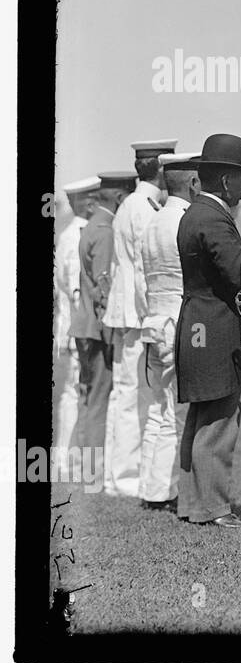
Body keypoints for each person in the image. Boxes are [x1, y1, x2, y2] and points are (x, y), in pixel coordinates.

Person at [175, 135, 241, 528]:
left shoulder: (195, 213)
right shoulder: (215, 219)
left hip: (196, 323)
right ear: (226, 181)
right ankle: (215, 509)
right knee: (220, 419)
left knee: (201, 415)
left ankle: (193, 503)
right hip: (217, 327)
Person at [101, 139, 177, 496]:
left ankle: (117, 476)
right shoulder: (146, 207)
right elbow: (148, 269)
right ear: (161, 169)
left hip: (125, 309)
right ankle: (126, 476)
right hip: (137, 311)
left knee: (124, 394)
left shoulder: (131, 203)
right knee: (134, 397)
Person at [138, 151, 200, 511]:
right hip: (179, 322)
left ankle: (153, 489)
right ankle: (172, 491)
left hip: (153, 322)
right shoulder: (186, 223)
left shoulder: (153, 222)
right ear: (192, 183)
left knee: (158, 412)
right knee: (177, 413)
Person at [70, 171, 136, 482]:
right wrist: (111, 332)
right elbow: (103, 287)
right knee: (97, 399)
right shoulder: (105, 230)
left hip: (82, 325)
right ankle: (91, 472)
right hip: (96, 328)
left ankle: (83, 465)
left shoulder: (91, 225)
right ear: (120, 198)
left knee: (87, 397)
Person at [53, 176, 99, 473]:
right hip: (75, 328)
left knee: (79, 392)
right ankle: (64, 458)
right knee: (74, 392)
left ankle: (70, 456)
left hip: (75, 327)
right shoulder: (73, 236)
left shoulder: (77, 232)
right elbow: (74, 289)